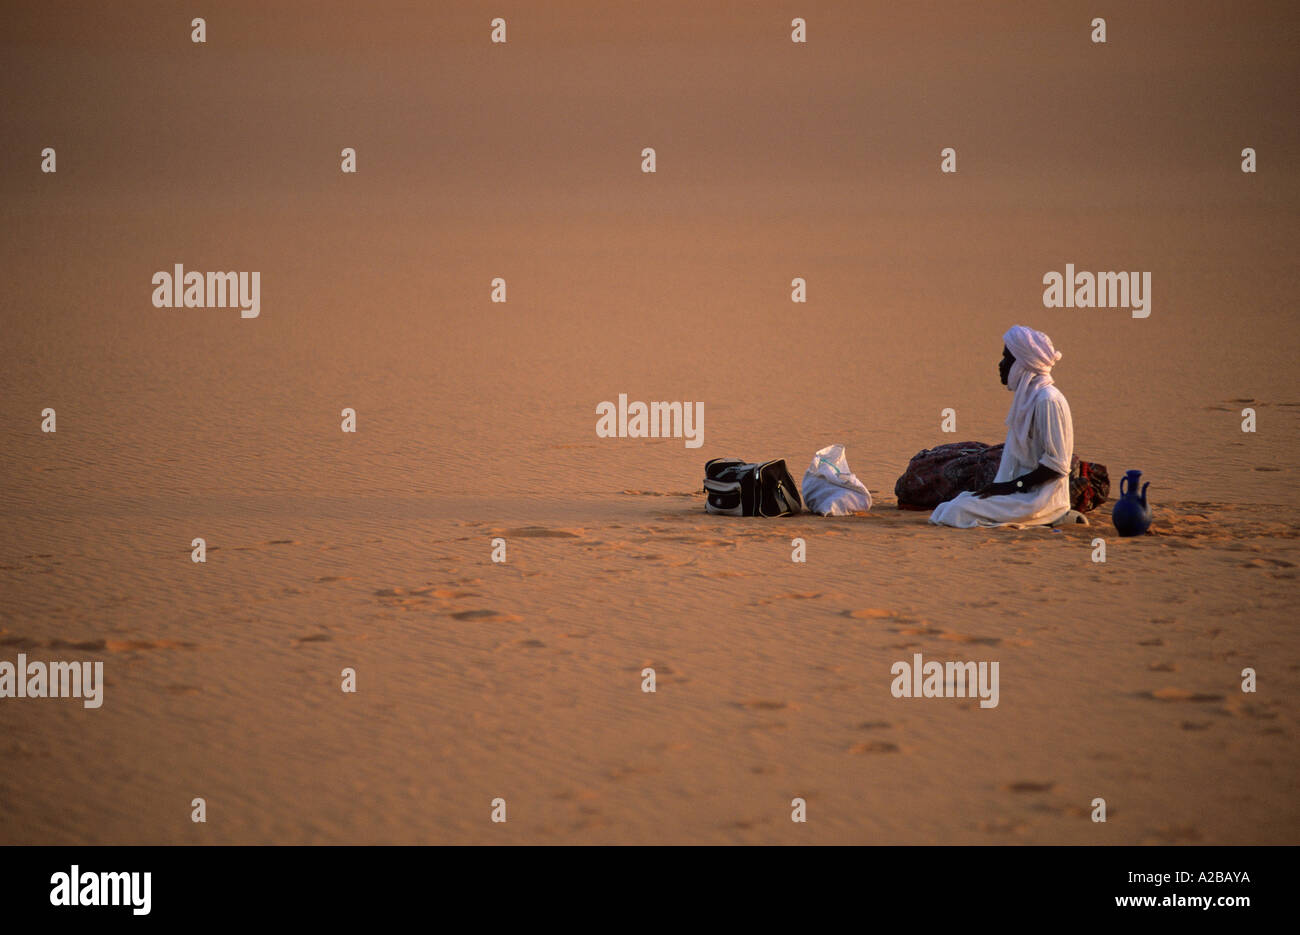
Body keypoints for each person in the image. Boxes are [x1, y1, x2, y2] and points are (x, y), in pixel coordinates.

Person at [930, 325, 1074, 528]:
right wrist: (1004, 488)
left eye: (1008, 359)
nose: (1001, 365)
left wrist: (1011, 487)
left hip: (1042, 500)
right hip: (1020, 493)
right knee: (948, 506)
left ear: (1023, 364)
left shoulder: (1048, 401)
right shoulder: (1028, 399)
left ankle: (1056, 516)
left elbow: (1057, 465)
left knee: (955, 512)